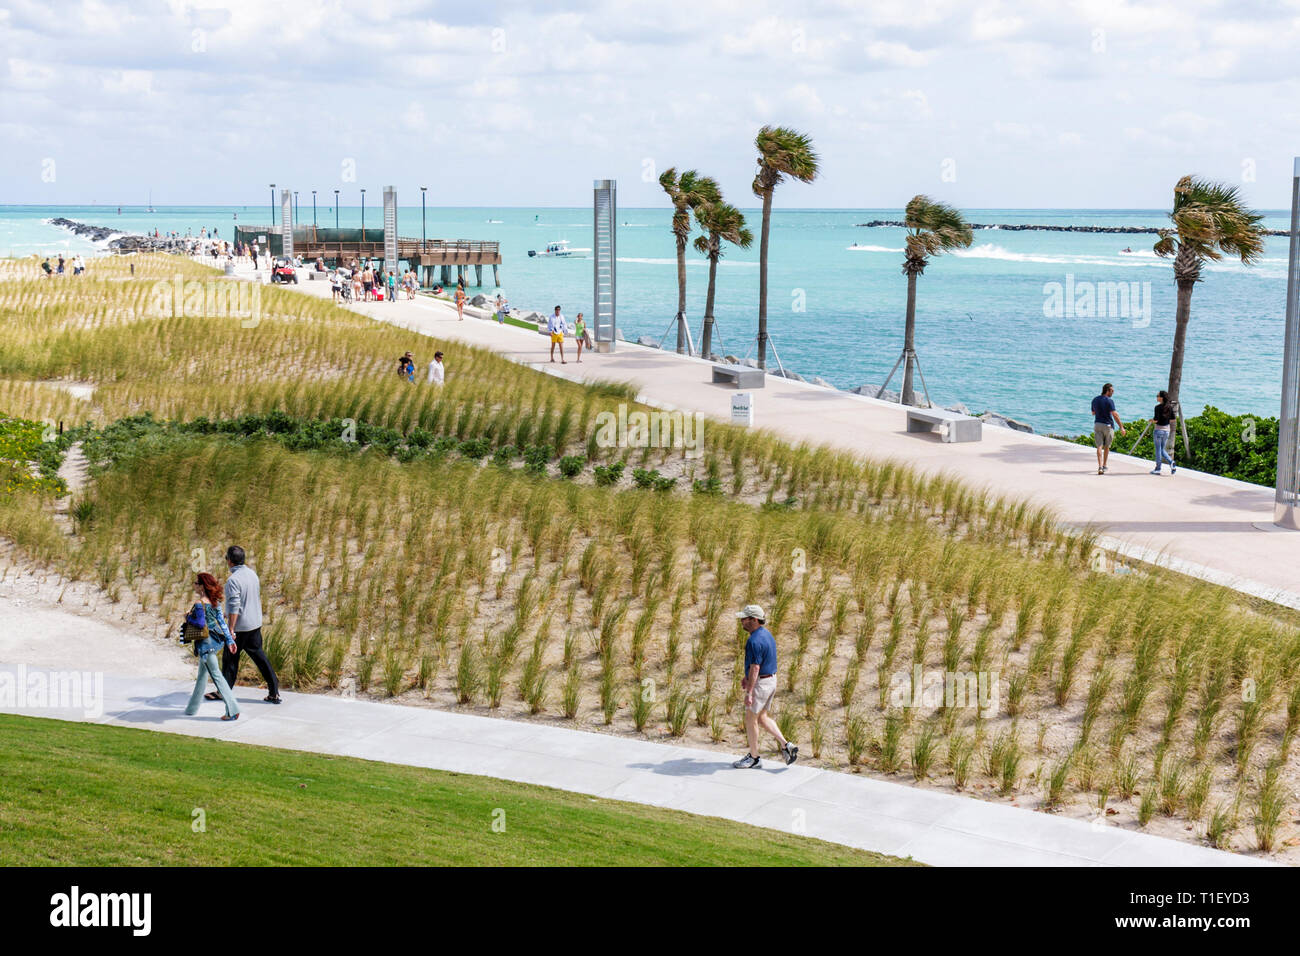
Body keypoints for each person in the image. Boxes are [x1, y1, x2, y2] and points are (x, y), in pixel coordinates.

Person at [212, 545, 281, 704]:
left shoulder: (233, 580)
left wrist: (230, 628)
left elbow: (235, 605)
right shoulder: (252, 574)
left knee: (229, 661)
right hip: (254, 624)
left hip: (240, 627)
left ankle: (224, 692)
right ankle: (274, 692)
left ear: (229, 561)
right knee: (260, 658)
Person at [732, 604, 797, 768]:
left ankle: (754, 758)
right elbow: (762, 662)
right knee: (762, 717)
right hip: (771, 680)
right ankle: (786, 745)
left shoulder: (753, 640)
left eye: (744, 619)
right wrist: (747, 677)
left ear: (754, 620)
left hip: (761, 684)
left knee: (750, 719)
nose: (741, 621)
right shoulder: (767, 635)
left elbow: (756, 667)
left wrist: (749, 692)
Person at [184, 572, 241, 720]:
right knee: (202, 676)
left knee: (216, 675)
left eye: (196, 583)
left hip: (205, 644)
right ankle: (192, 708)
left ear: (202, 586)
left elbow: (200, 624)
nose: (194, 585)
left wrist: (188, 617)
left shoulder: (199, 603)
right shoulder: (215, 602)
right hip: (214, 641)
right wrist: (229, 641)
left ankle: (233, 710)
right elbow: (221, 623)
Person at [1090, 382, 1126, 475]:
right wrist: (1121, 427)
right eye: (1112, 391)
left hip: (1097, 424)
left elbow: (1093, 413)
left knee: (1099, 446)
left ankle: (1100, 466)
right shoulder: (1109, 401)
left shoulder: (1095, 399)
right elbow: (1115, 414)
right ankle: (1105, 465)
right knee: (1107, 446)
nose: (1113, 392)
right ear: (1107, 390)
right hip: (1108, 426)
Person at [1150, 389, 1177, 475]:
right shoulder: (1169, 407)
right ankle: (1171, 462)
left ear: (1161, 398)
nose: (1157, 397)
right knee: (1162, 449)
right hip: (1167, 431)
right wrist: (1166, 419)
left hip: (1158, 430)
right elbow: (1173, 419)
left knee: (1158, 449)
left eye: (1158, 396)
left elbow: (1156, 420)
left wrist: (1151, 421)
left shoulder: (1157, 407)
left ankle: (1158, 468)